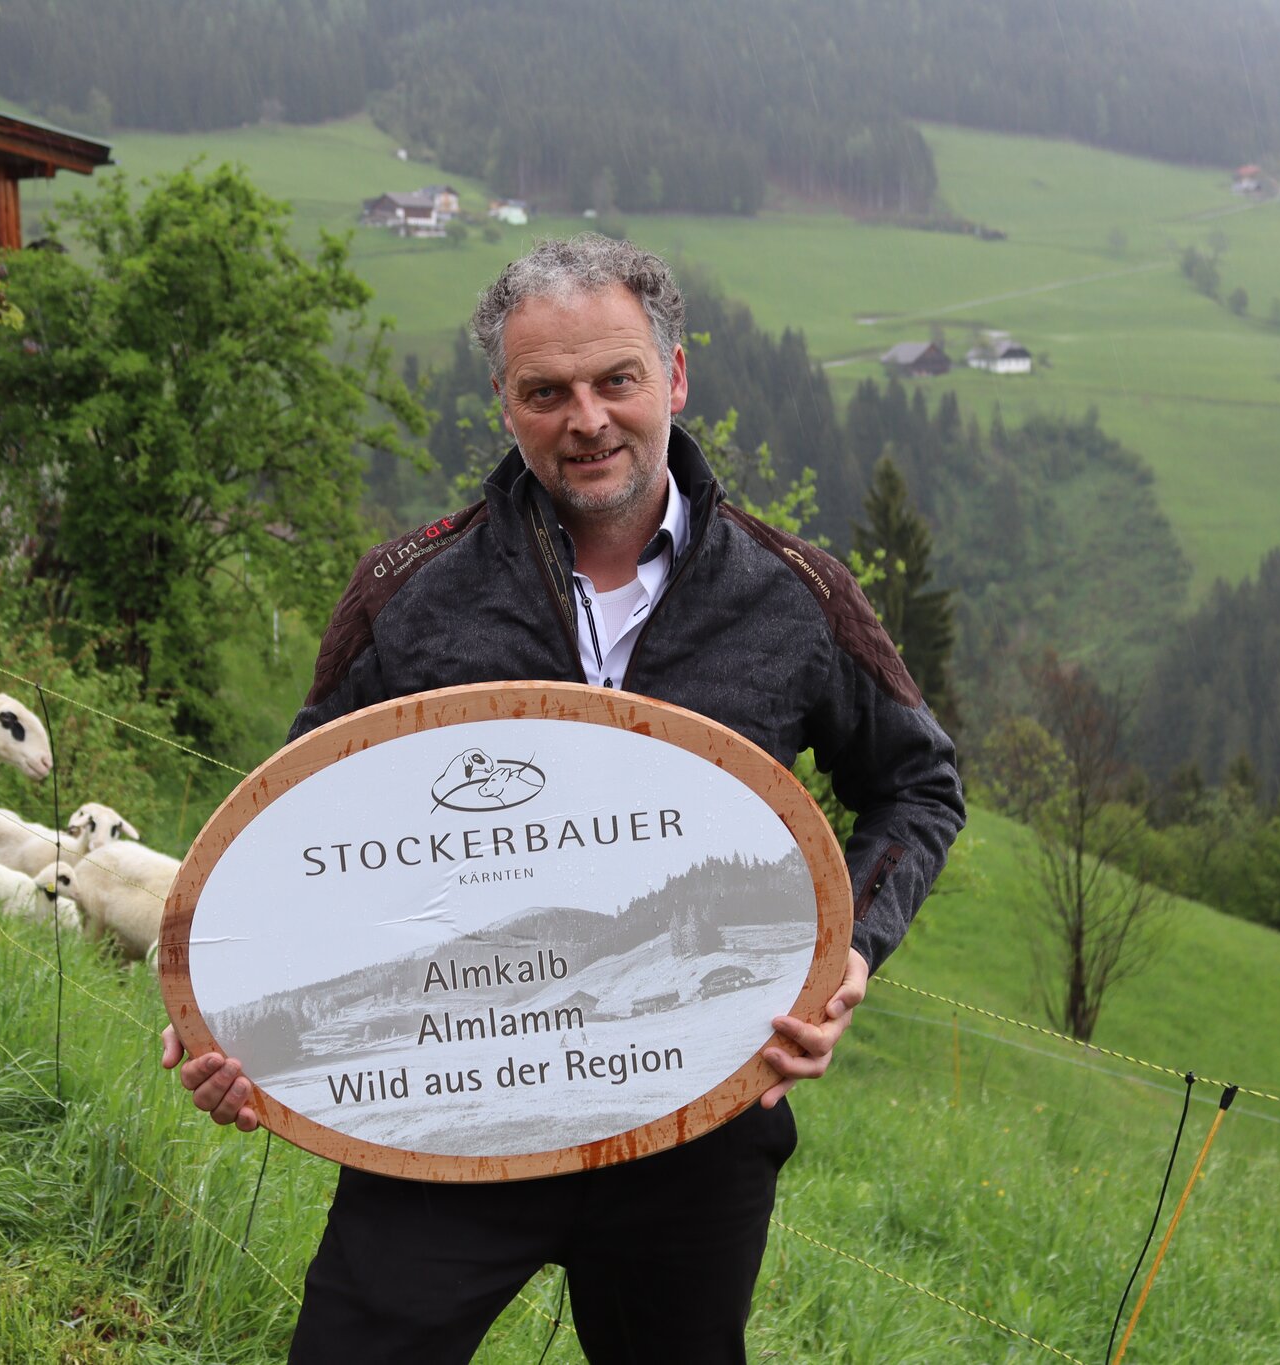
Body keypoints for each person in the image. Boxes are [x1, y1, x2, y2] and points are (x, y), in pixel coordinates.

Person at [161, 235, 964, 1364]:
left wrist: (848, 954)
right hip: (439, 1107)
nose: (585, 419)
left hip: (690, 1119)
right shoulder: (408, 595)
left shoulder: (792, 595)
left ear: (672, 380)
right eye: (545, 392)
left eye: (615, 381)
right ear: (504, 403)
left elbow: (915, 784)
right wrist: (232, 1015)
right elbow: (297, 834)